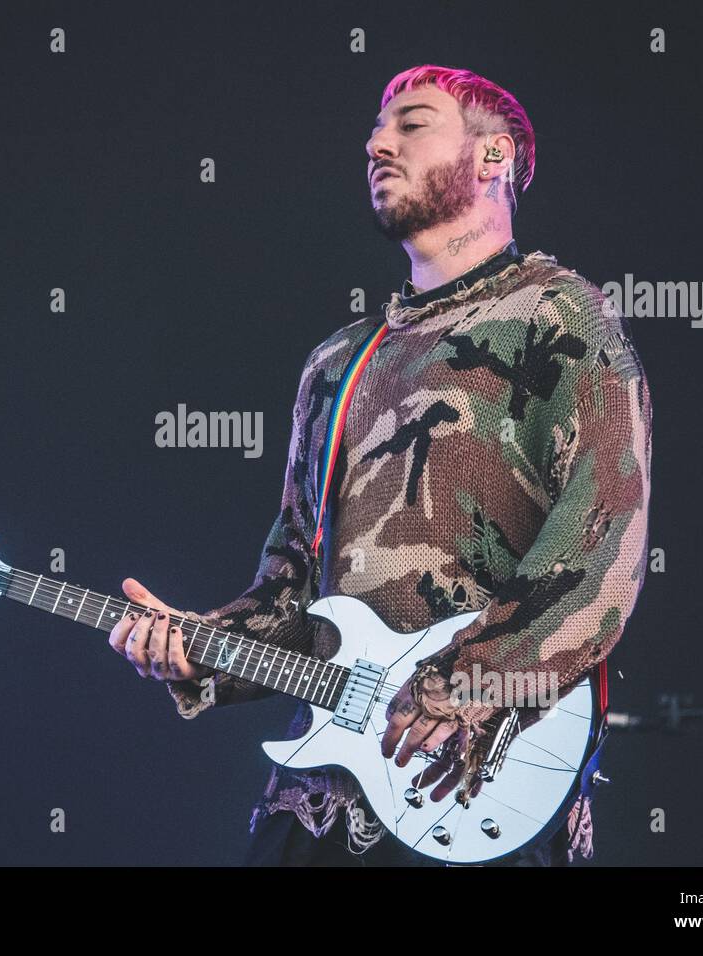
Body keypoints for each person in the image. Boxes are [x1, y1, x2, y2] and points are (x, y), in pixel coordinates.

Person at [107, 64, 653, 866]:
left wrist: (468, 682)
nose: (376, 143)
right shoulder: (337, 363)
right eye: (376, 128)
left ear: (493, 157)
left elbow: (605, 539)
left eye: (412, 124)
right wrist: (201, 647)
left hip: (474, 782)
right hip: (323, 801)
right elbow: (292, 591)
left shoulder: (559, 315)